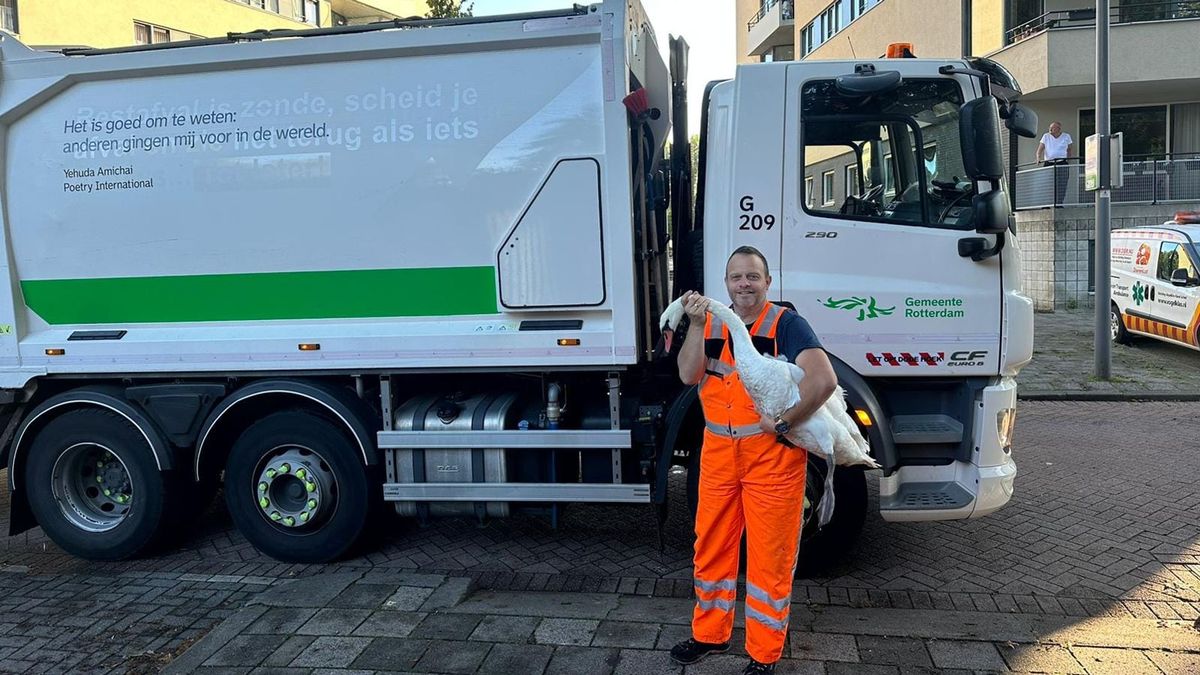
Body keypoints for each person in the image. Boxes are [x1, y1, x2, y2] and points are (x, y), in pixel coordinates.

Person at [669, 246, 837, 674]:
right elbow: (689, 375)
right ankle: (711, 634)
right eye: (736, 277)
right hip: (719, 454)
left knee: (769, 556)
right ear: (726, 283)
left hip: (772, 458)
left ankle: (764, 654)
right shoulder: (711, 322)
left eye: (752, 277)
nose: (744, 284)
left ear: (767, 282)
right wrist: (694, 323)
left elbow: (823, 381)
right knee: (711, 549)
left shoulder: (786, 323)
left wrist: (783, 424)